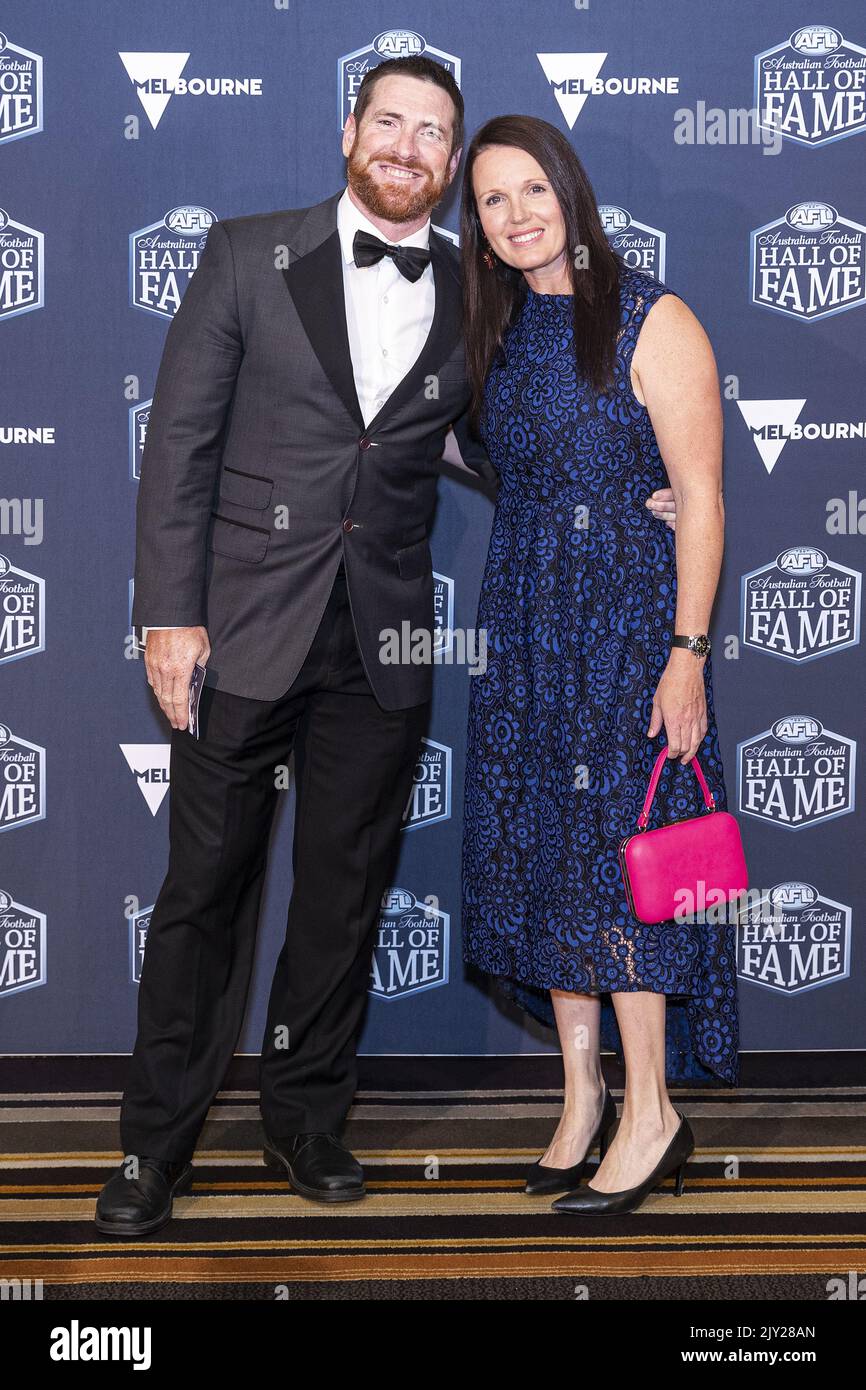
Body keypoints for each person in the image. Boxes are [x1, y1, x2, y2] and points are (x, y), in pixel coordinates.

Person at [96, 58, 679, 1236]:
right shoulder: (243, 253)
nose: (410, 146)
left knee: (343, 900)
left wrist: (637, 494)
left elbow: (518, 434)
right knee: (203, 896)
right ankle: (154, 1147)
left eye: (435, 133)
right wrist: (169, 613)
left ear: (450, 163)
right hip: (241, 633)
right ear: (348, 130)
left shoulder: (483, 287)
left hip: (382, 643)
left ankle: (304, 1124)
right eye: (392, 123)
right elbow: (180, 451)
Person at [459, 115, 738, 1216]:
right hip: (524, 624)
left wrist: (685, 656)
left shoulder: (649, 316)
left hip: (625, 626)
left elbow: (701, 495)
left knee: (621, 865)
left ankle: (651, 1111)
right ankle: (579, 1101)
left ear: (570, 195)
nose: (518, 213)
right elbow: (466, 445)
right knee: (541, 862)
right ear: (475, 228)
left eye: (533, 189)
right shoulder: (492, 333)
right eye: (491, 200)